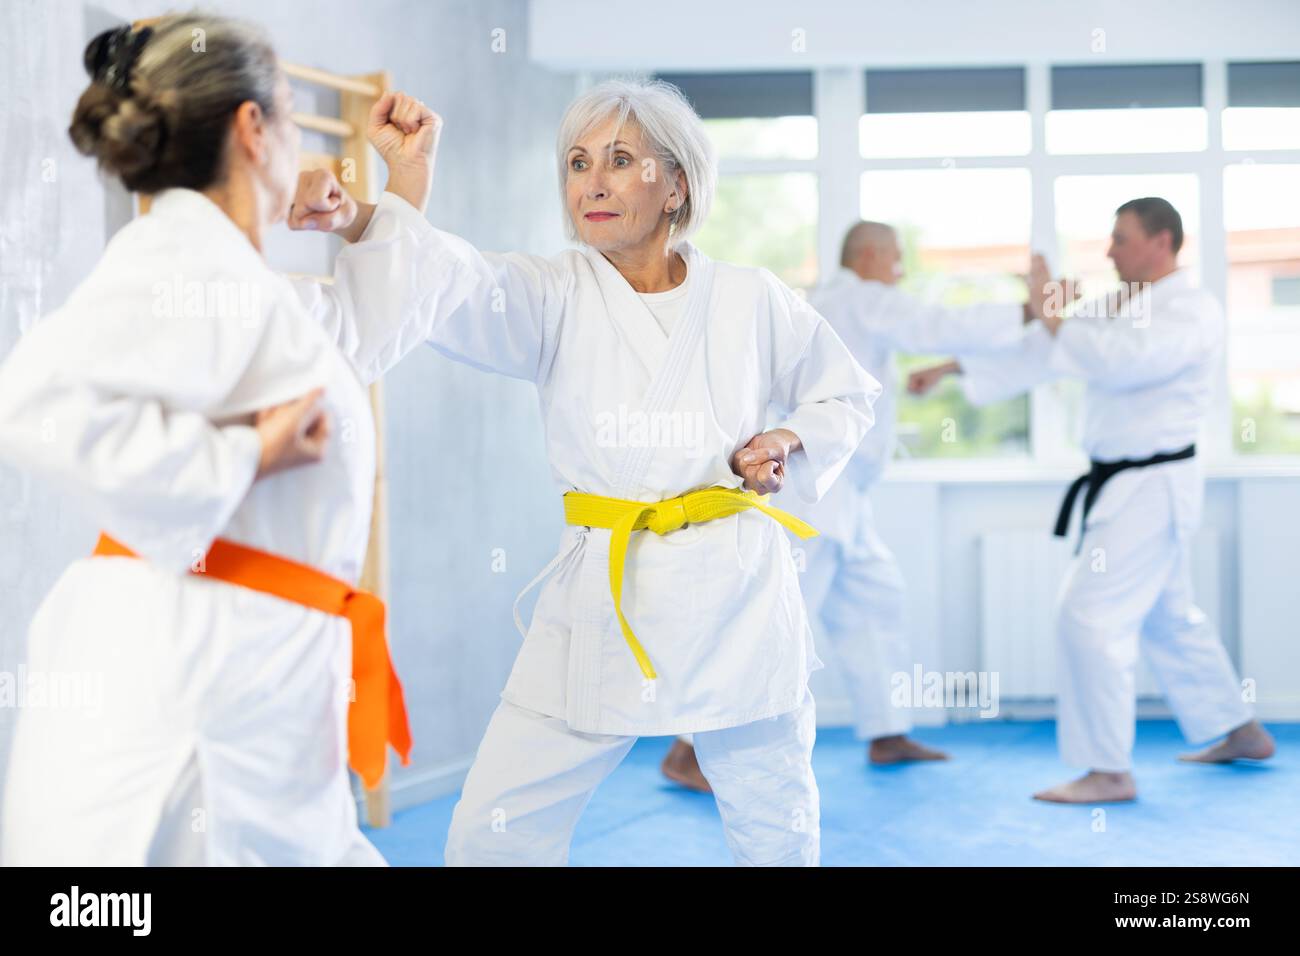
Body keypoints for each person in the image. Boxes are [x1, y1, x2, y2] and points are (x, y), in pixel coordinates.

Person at [317, 78, 880, 865]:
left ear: (676, 183)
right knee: (493, 826)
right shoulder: (551, 292)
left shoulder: (753, 298)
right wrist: (363, 210)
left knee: (776, 828)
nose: (594, 181)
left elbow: (847, 391)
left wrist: (787, 437)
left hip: (735, 594)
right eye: (578, 163)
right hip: (600, 596)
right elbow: (448, 277)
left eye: (621, 160)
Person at [0, 15, 475, 864]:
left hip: (248, 680)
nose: (304, 147)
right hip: (194, 692)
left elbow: (353, 337)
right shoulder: (185, 260)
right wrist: (244, 457)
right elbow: (33, 400)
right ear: (255, 130)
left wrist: (394, 194)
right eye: (291, 116)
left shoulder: (231, 278)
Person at [908, 198, 1276, 803]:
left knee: (1088, 615)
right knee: (1168, 616)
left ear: (1161, 241)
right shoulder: (1117, 303)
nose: (1108, 251)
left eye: (1120, 239)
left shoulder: (1192, 308)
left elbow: (1120, 362)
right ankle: (1238, 729)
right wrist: (950, 368)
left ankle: (1108, 769)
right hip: (1126, 484)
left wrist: (1055, 309)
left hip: (1151, 485)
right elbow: (1046, 351)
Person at [662, 221, 1041, 785]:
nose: (901, 272)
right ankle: (689, 748)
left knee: (873, 601)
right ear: (867, 256)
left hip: (840, 489)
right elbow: (937, 324)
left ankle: (886, 731)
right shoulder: (859, 299)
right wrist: (1026, 311)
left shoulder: (835, 301)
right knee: (777, 615)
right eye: (895, 260)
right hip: (816, 490)